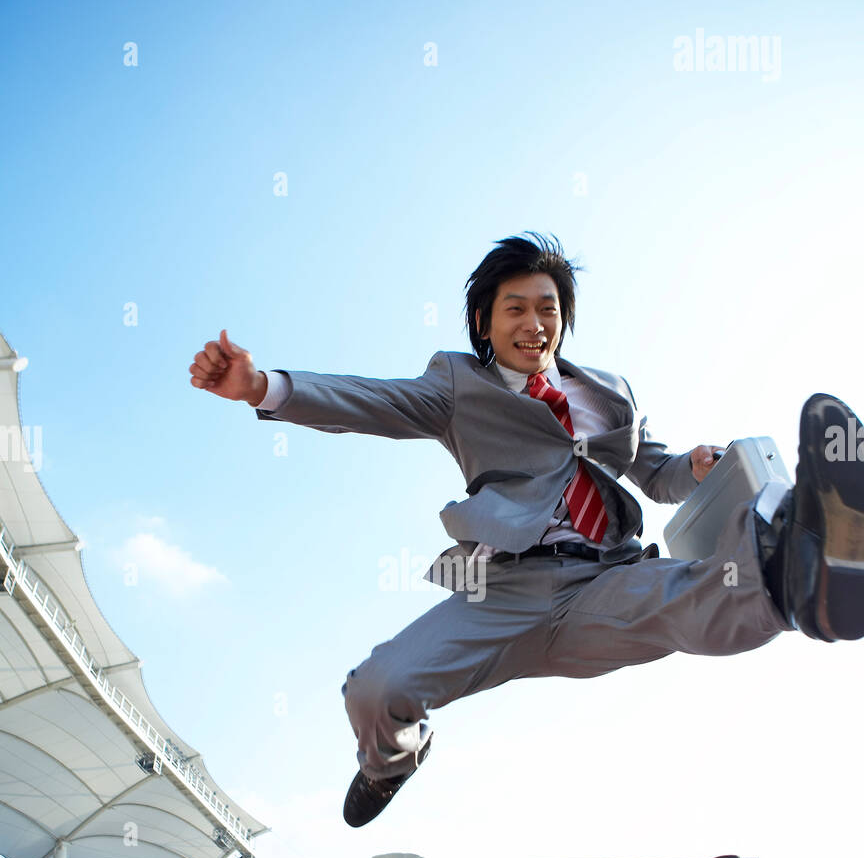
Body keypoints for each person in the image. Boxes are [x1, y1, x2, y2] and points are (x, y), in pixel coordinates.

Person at [189, 232, 864, 827]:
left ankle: (797, 570)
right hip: (504, 589)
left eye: (549, 309)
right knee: (378, 688)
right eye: (517, 309)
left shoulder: (608, 395)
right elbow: (376, 401)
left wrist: (691, 466)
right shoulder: (457, 384)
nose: (535, 324)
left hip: (606, 578)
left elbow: (655, 475)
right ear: (485, 322)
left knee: (700, 593)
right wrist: (262, 386)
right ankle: (388, 764)